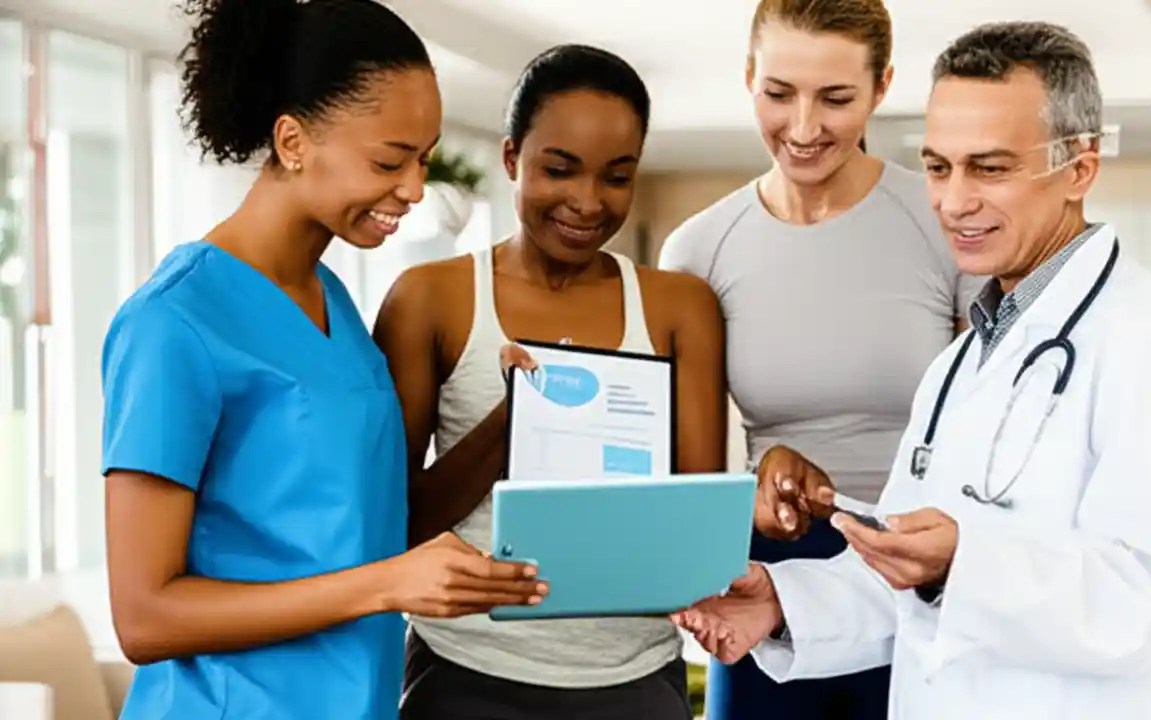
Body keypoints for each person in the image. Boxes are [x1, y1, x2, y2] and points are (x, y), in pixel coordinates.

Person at [674, 20, 1151, 719]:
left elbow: (1142, 603)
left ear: (1080, 169)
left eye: (990, 168)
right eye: (939, 167)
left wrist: (961, 565)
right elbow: (906, 568)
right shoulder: (959, 364)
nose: (953, 201)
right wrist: (785, 602)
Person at [99, 2, 547, 718]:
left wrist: (512, 419)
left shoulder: (333, 303)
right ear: (293, 140)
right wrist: (388, 585)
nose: (411, 186)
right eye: (387, 159)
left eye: (423, 158)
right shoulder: (174, 322)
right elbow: (144, 617)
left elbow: (369, 529)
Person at [373, 44, 726, 720]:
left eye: (617, 177)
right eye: (559, 170)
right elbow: (395, 521)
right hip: (468, 667)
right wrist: (514, 422)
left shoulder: (683, 308)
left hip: (634, 671)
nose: (587, 202)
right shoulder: (430, 299)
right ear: (512, 158)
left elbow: (694, 535)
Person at [658, 1, 982, 717]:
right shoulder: (699, 249)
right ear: (748, 77)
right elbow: (693, 463)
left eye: (836, 98)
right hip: (767, 573)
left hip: (920, 567)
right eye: (778, 94)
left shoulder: (943, 225)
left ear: (882, 86)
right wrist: (758, 483)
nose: (803, 129)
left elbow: (986, 430)